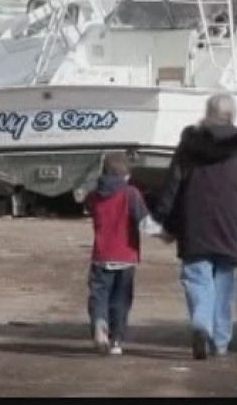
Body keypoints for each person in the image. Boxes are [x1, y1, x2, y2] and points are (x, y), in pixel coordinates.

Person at [151, 93, 237, 360]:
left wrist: (164, 220)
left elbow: (173, 186)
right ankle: (220, 342)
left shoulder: (190, 146)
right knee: (225, 283)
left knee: (197, 278)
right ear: (232, 115)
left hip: (195, 223)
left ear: (207, 114)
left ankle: (201, 321)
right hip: (233, 224)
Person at [85, 152, 153, 356]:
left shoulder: (94, 196)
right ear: (126, 175)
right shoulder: (131, 193)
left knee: (99, 296)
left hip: (101, 255)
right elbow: (144, 222)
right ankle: (116, 340)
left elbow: (88, 206)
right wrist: (165, 232)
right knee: (121, 300)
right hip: (126, 256)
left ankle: (99, 323)